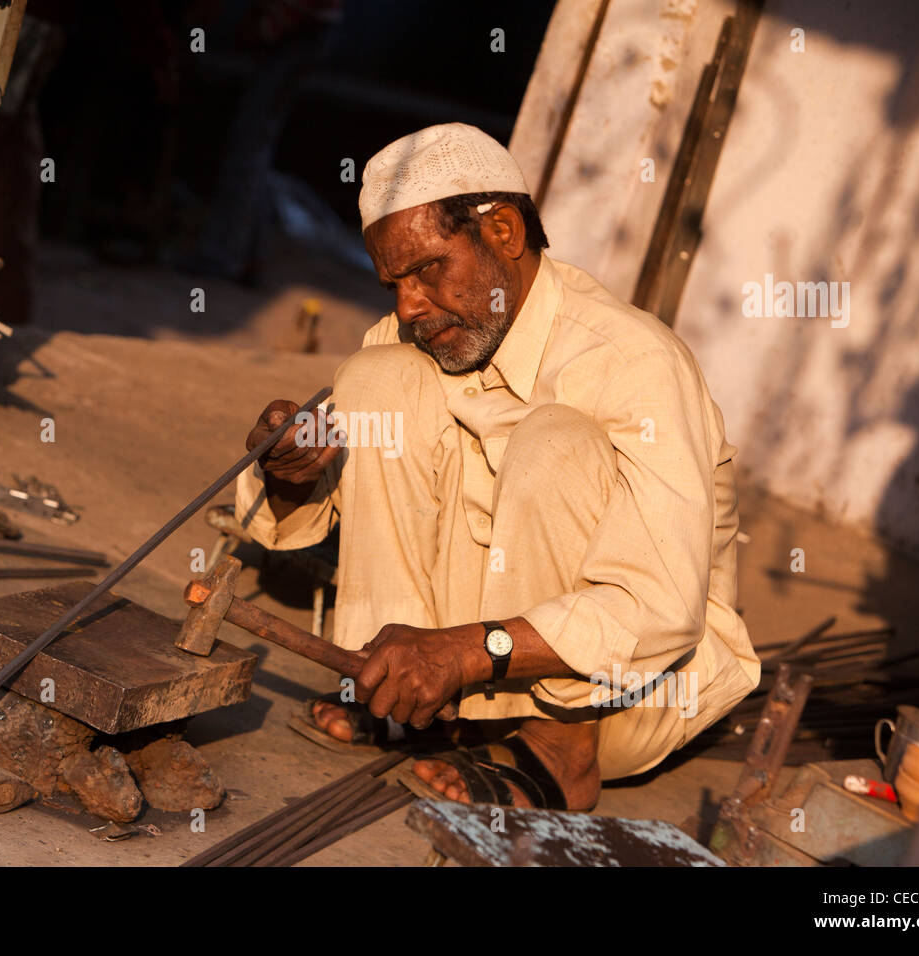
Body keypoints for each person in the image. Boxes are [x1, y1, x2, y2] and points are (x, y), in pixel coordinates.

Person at [236, 123, 759, 809]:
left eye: (428, 269)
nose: (408, 304)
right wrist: (292, 473)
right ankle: (405, 697)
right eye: (394, 282)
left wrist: (459, 654)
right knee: (375, 380)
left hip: (625, 693)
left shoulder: (634, 364)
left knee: (555, 442)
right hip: (469, 664)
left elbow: (657, 612)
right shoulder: (416, 332)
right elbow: (315, 507)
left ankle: (556, 750)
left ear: (504, 233)